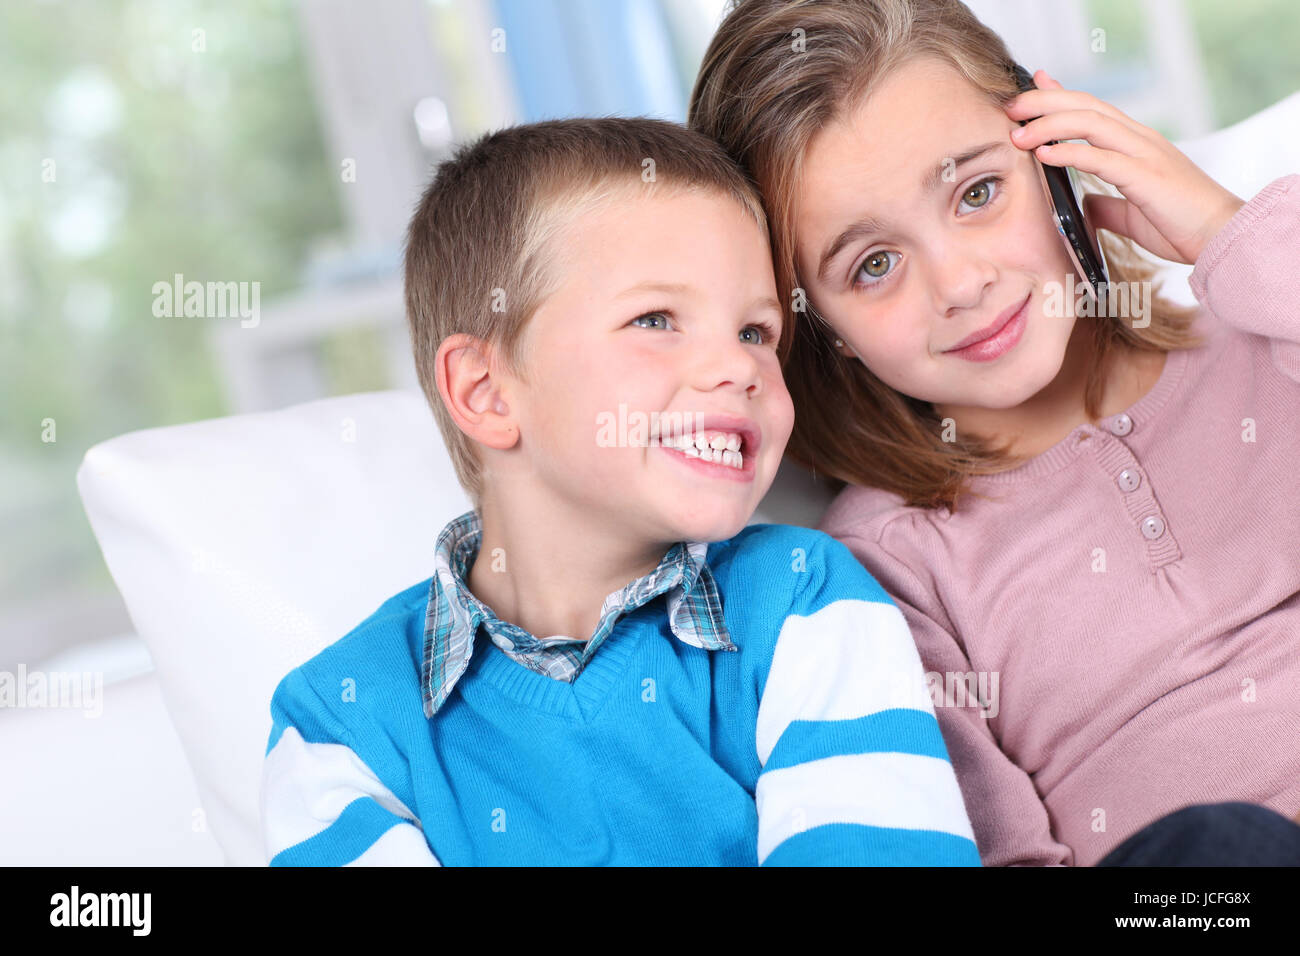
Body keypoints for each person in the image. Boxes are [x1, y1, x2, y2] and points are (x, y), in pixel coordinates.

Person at [258, 116, 980, 866]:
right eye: (657, 319)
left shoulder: (806, 601)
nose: (739, 368)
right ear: (486, 391)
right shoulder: (338, 725)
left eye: (756, 332)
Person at [688, 0, 1300, 865]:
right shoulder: (885, 566)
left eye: (977, 193)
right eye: (873, 265)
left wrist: (1226, 229)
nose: (961, 283)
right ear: (813, 324)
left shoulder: (1270, 331)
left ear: (1056, 160)